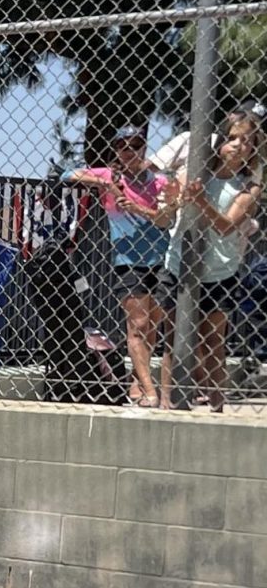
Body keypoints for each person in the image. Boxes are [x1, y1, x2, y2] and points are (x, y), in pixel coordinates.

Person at [65, 127, 173, 408]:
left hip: (160, 261)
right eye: (124, 146)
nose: (131, 151)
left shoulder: (159, 182)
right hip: (127, 262)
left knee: (152, 327)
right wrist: (104, 184)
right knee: (137, 325)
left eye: (136, 145)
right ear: (116, 151)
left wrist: (138, 209)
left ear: (144, 149)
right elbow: (68, 175)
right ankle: (150, 391)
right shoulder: (110, 176)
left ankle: (140, 379)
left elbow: (166, 221)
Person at [159, 127, 259, 413]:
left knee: (213, 341)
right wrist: (172, 198)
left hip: (219, 272)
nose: (238, 145)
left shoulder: (248, 187)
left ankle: (217, 404)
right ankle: (169, 402)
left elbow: (226, 225)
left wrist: (201, 201)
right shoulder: (194, 174)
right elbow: (165, 217)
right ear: (219, 142)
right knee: (173, 339)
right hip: (179, 265)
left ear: (253, 151)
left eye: (247, 141)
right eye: (232, 138)